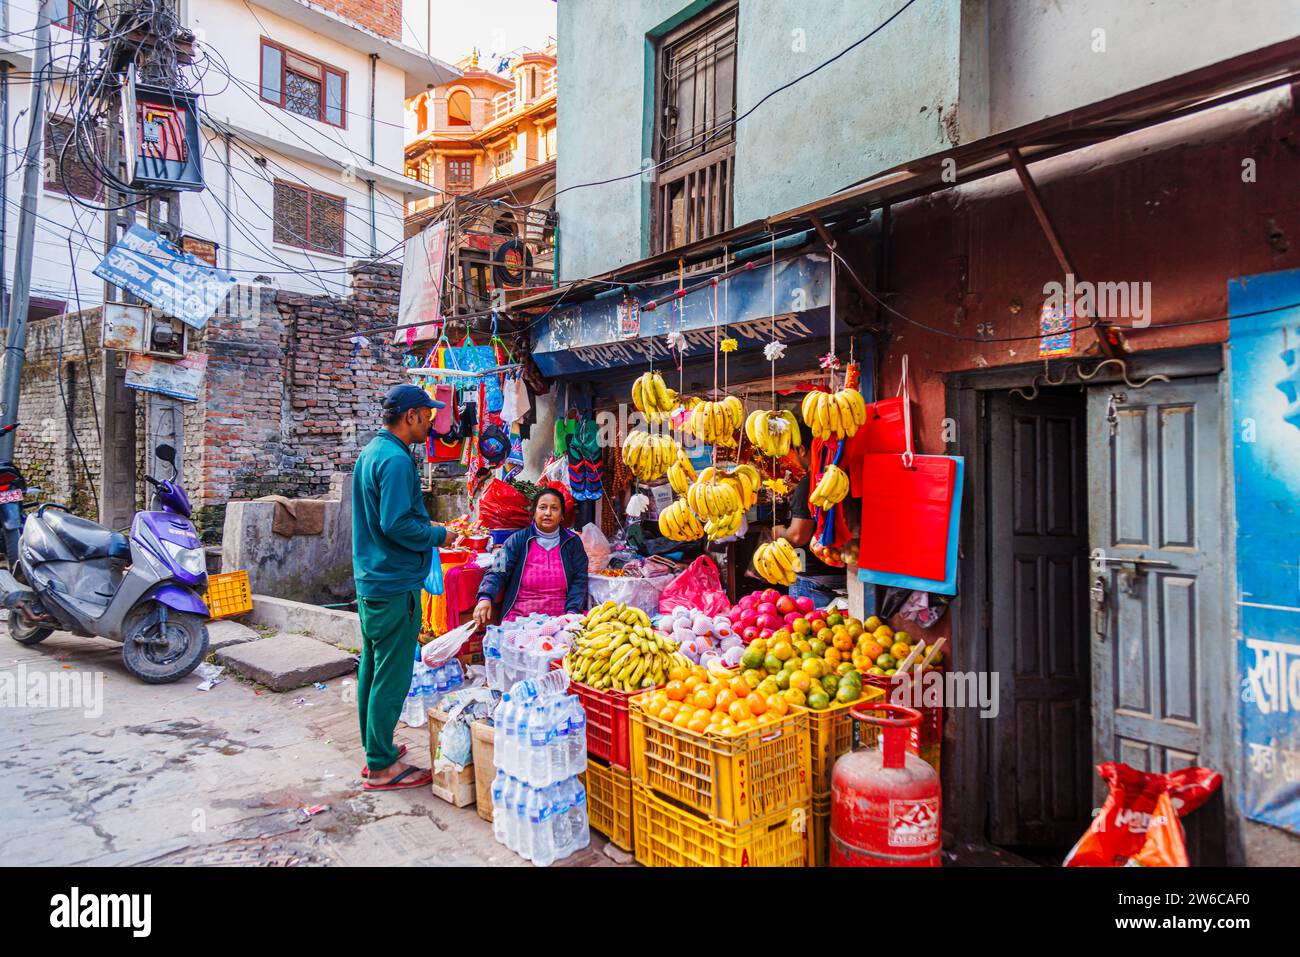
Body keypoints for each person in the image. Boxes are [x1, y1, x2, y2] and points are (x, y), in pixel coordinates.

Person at [352, 384, 449, 791]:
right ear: (410, 416)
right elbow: (396, 524)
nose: (431, 421)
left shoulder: (373, 453)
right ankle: (380, 765)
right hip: (392, 581)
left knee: (373, 666)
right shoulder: (394, 460)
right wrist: (439, 534)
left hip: (374, 578)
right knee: (390, 674)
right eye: (427, 414)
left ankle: (378, 749)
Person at [472, 488, 588, 626]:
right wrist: (485, 597)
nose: (548, 513)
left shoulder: (573, 542)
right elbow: (497, 569)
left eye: (554, 508)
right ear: (534, 512)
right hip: (520, 618)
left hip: (560, 618)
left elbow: (579, 579)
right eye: (543, 507)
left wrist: (572, 612)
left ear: (562, 515)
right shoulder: (516, 539)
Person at [777, 440, 847, 608]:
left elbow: (797, 536)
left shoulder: (807, 485)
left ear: (802, 449)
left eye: (792, 452)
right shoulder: (839, 478)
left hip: (812, 580)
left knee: (811, 629)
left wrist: (777, 531)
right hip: (842, 571)